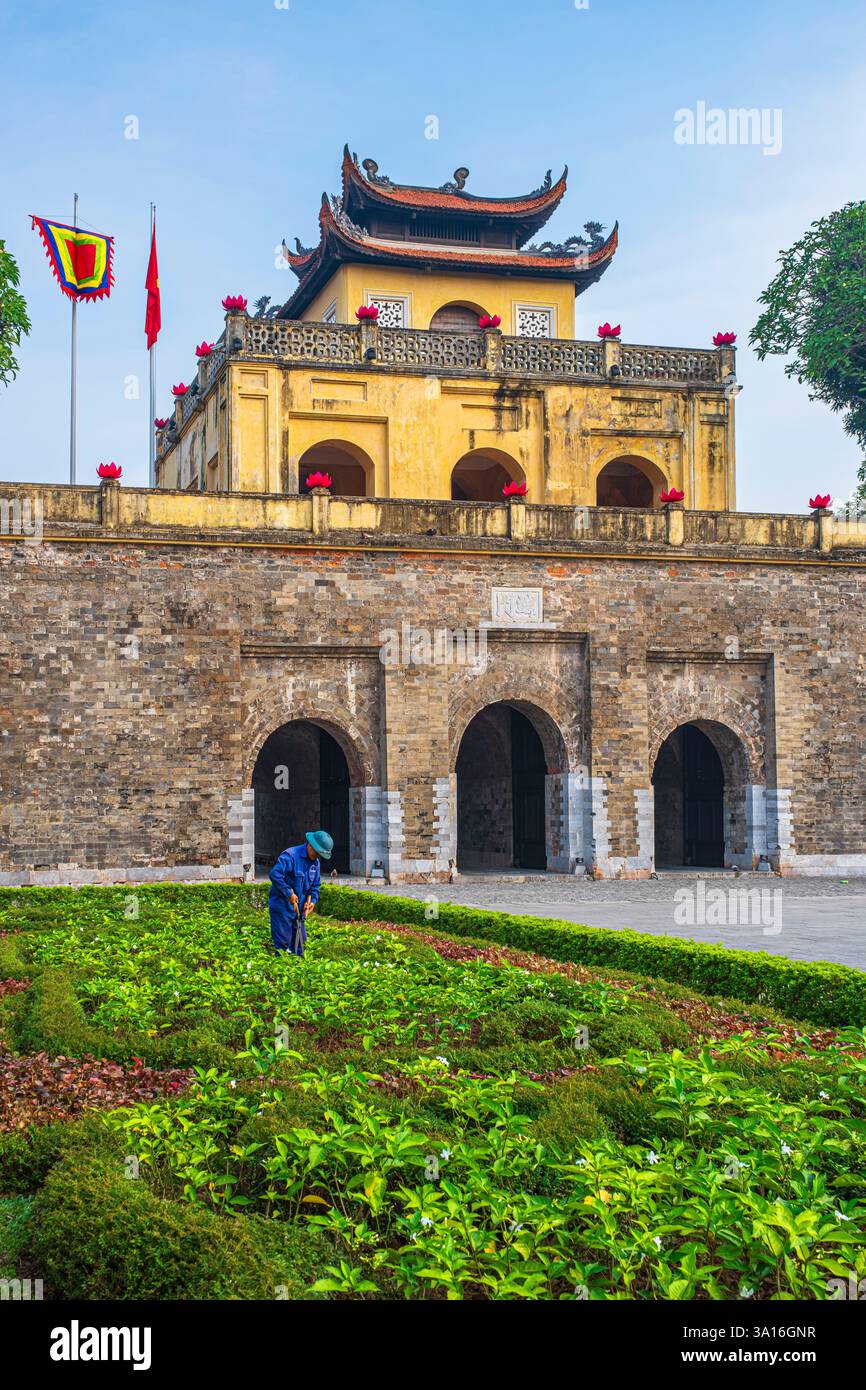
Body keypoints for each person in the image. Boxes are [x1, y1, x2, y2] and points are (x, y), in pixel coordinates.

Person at [268, 830, 333, 956]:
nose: (317, 856)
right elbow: (275, 875)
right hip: (282, 908)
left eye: (320, 855)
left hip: (299, 911)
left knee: (301, 946)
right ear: (310, 845)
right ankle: (280, 967)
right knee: (283, 945)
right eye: (317, 853)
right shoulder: (290, 856)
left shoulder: (316, 863)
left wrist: (312, 901)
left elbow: (315, 886)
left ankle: (298, 968)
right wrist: (289, 894)